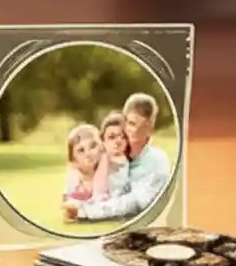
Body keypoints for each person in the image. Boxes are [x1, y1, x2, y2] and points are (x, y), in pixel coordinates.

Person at [64, 93, 171, 222]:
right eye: (130, 123)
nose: (133, 131)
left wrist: (84, 211)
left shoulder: (156, 161)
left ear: (149, 126)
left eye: (142, 125)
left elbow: (135, 202)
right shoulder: (113, 153)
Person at [92, 110, 131, 200]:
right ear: (103, 141)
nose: (117, 141)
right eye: (111, 137)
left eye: (122, 136)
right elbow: (98, 194)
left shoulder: (132, 162)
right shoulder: (98, 163)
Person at [63, 123, 103, 205]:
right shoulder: (75, 181)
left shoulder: (108, 173)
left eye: (93, 146)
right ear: (73, 159)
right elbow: (68, 206)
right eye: (81, 150)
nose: (88, 154)